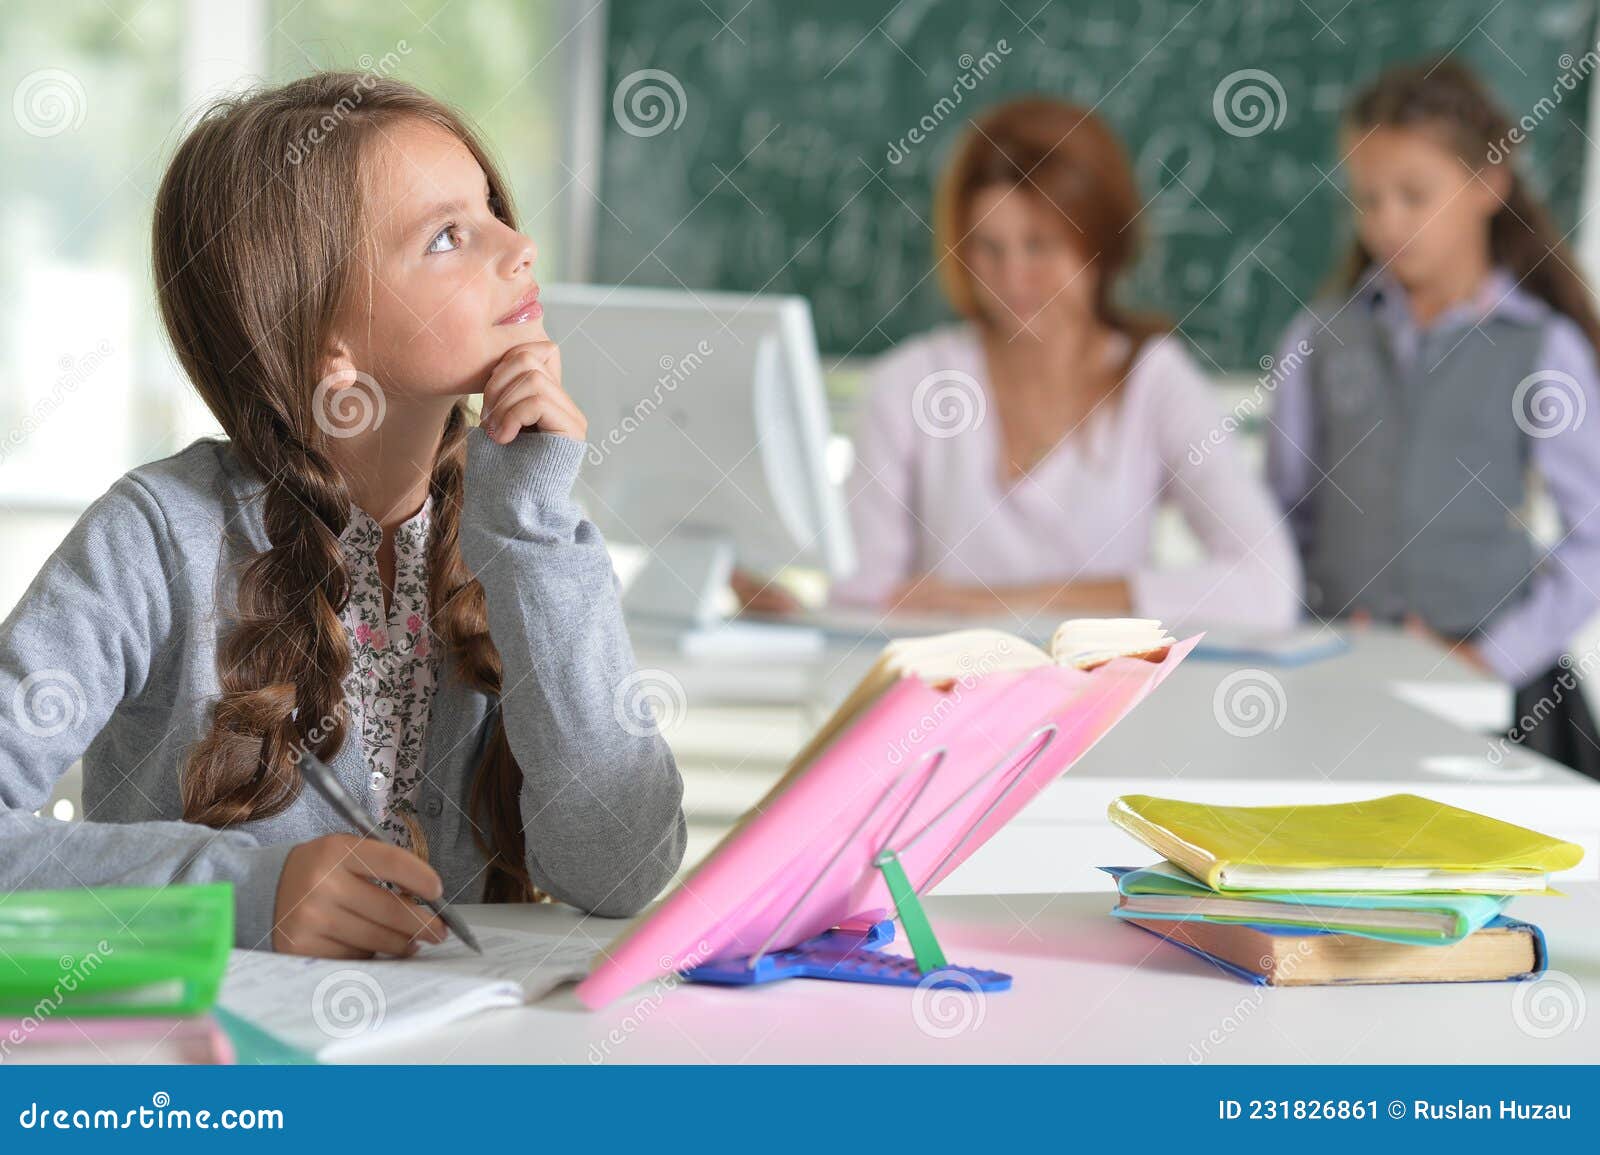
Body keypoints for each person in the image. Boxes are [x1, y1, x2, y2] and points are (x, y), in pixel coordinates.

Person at [0, 73, 687, 956]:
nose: (521, 247)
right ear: (329, 337)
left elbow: (620, 869)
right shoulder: (157, 536)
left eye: (492, 210)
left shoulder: (516, 522)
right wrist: (249, 895)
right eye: (448, 236)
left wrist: (535, 535)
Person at [735, 97, 1301, 631]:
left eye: (1039, 245)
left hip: (1101, 715)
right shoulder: (907, 385)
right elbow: (865, 596)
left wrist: (1006, 604)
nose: (1012, 278)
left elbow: (1267, 586)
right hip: (946, 716)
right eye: (989, 248)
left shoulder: (1156, 383)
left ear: (1099, 243)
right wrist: (802, 618)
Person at [1265, 60, 1600, 777]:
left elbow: (1594, 538)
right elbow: (1280, 520)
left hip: (1500, 698)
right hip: (1341, 684)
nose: (1386, 222)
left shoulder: (1544, 345)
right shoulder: (1319, 338)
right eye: (1368, 199)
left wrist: (1493, 658)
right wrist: (1303, 633)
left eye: (1414, 196)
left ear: (1488, 183)